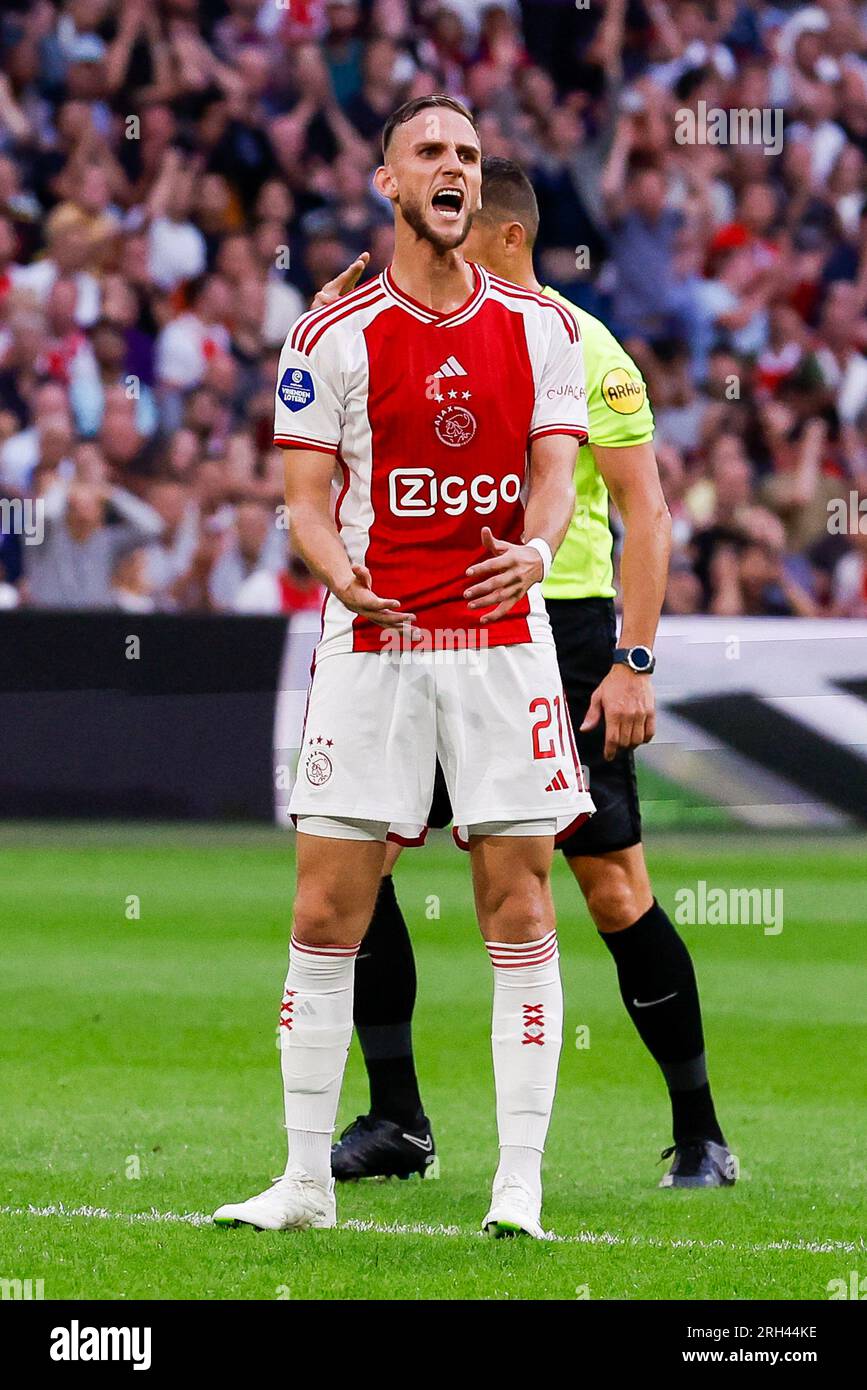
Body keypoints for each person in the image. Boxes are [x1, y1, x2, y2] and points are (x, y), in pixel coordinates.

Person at [213, 98, 594, 1239]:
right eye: (430, 151)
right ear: (387, 182)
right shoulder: (329, 336)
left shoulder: (542, 330)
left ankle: (516, 1186)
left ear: (482, 189)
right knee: (327, 908)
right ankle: (305, 1181)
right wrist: (341, 576)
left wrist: (533, 545)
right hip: (372, 644)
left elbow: (558, 473)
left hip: (499, 647)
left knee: (516, 901)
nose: (453, 168)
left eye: (469, 156)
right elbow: (304, 505)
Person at [325, 158, 734, 1192]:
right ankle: (398, 1119)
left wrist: (636, 660)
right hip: (438, 623)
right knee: (360, 853)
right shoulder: (416, 330)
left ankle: (700, 1132)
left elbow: (648, 511)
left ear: (506, 236)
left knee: (609, 884)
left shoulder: (583, 345)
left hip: (566, 628)